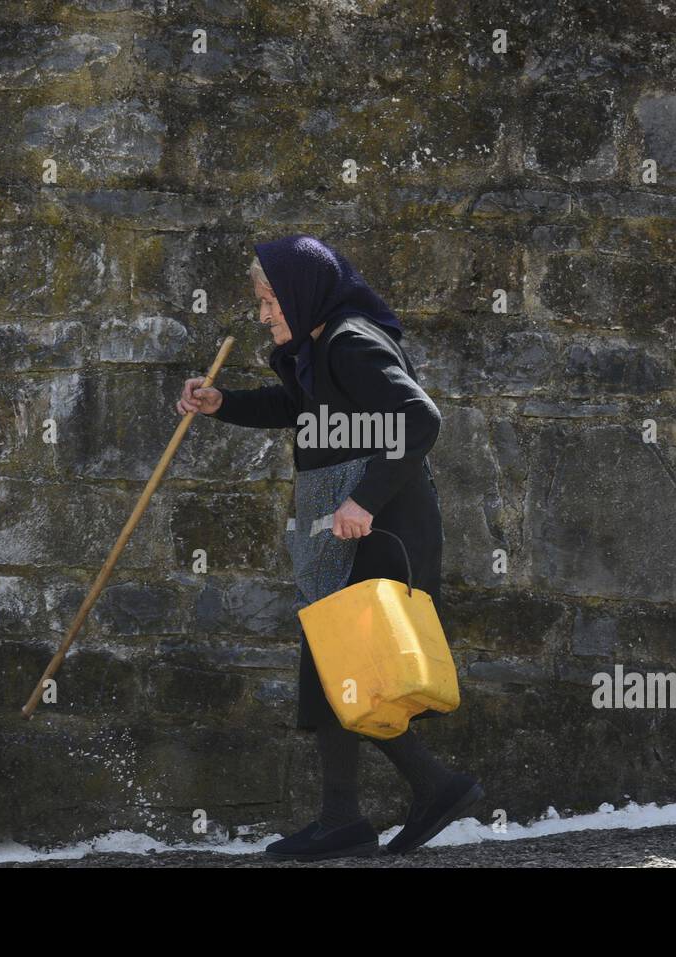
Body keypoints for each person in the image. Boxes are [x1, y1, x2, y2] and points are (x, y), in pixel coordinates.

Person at [177, 234, 483, 861]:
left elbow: (419, 418)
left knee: (349, 661)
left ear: (300, 292)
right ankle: (348, 815)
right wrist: (223, 403)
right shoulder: (319, 345)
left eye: (270, 303)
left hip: (378, 525)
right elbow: (301, 408)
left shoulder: (350, 342)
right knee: (333, 658)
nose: (264, 316)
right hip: (350, 523)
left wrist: (363, 501)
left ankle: (430, 787)